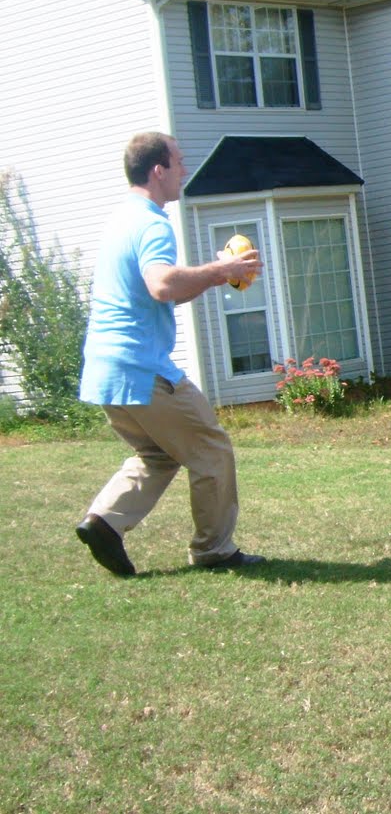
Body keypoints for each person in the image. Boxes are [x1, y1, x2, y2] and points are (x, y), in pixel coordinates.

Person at [74, 132, 265, 575]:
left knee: (159, 454)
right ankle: (214, 550)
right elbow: (162, 284)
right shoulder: (152, 223)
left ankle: (103, 522)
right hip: (141, 367)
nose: (184, 170)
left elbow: (156, 294)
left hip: (106, 370)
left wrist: (217, 275)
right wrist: (224, 270)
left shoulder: (121, 220)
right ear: (158, 170)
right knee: (211, 448)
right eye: (178, 162)